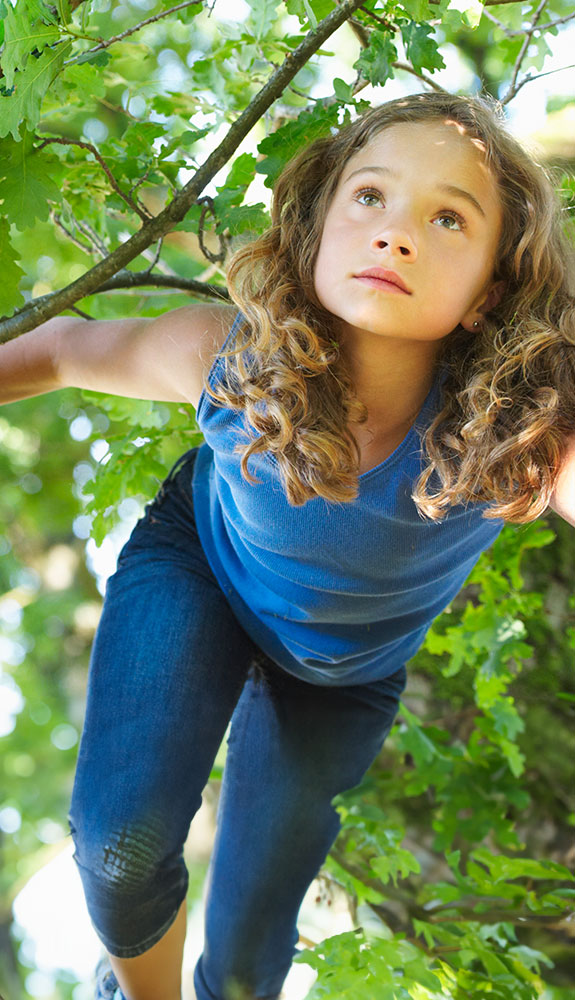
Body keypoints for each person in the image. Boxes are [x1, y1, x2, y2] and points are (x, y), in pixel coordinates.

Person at [1, 91, 574, 1000]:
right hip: (200, 570)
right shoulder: (229, 363)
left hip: (339, 679)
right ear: (312, 231)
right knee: (119, 855)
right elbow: (65, 349)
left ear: (489, 294)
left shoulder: (517, 437)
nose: (395, 234)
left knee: (243, 967)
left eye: (447, 219)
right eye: (369, 196)